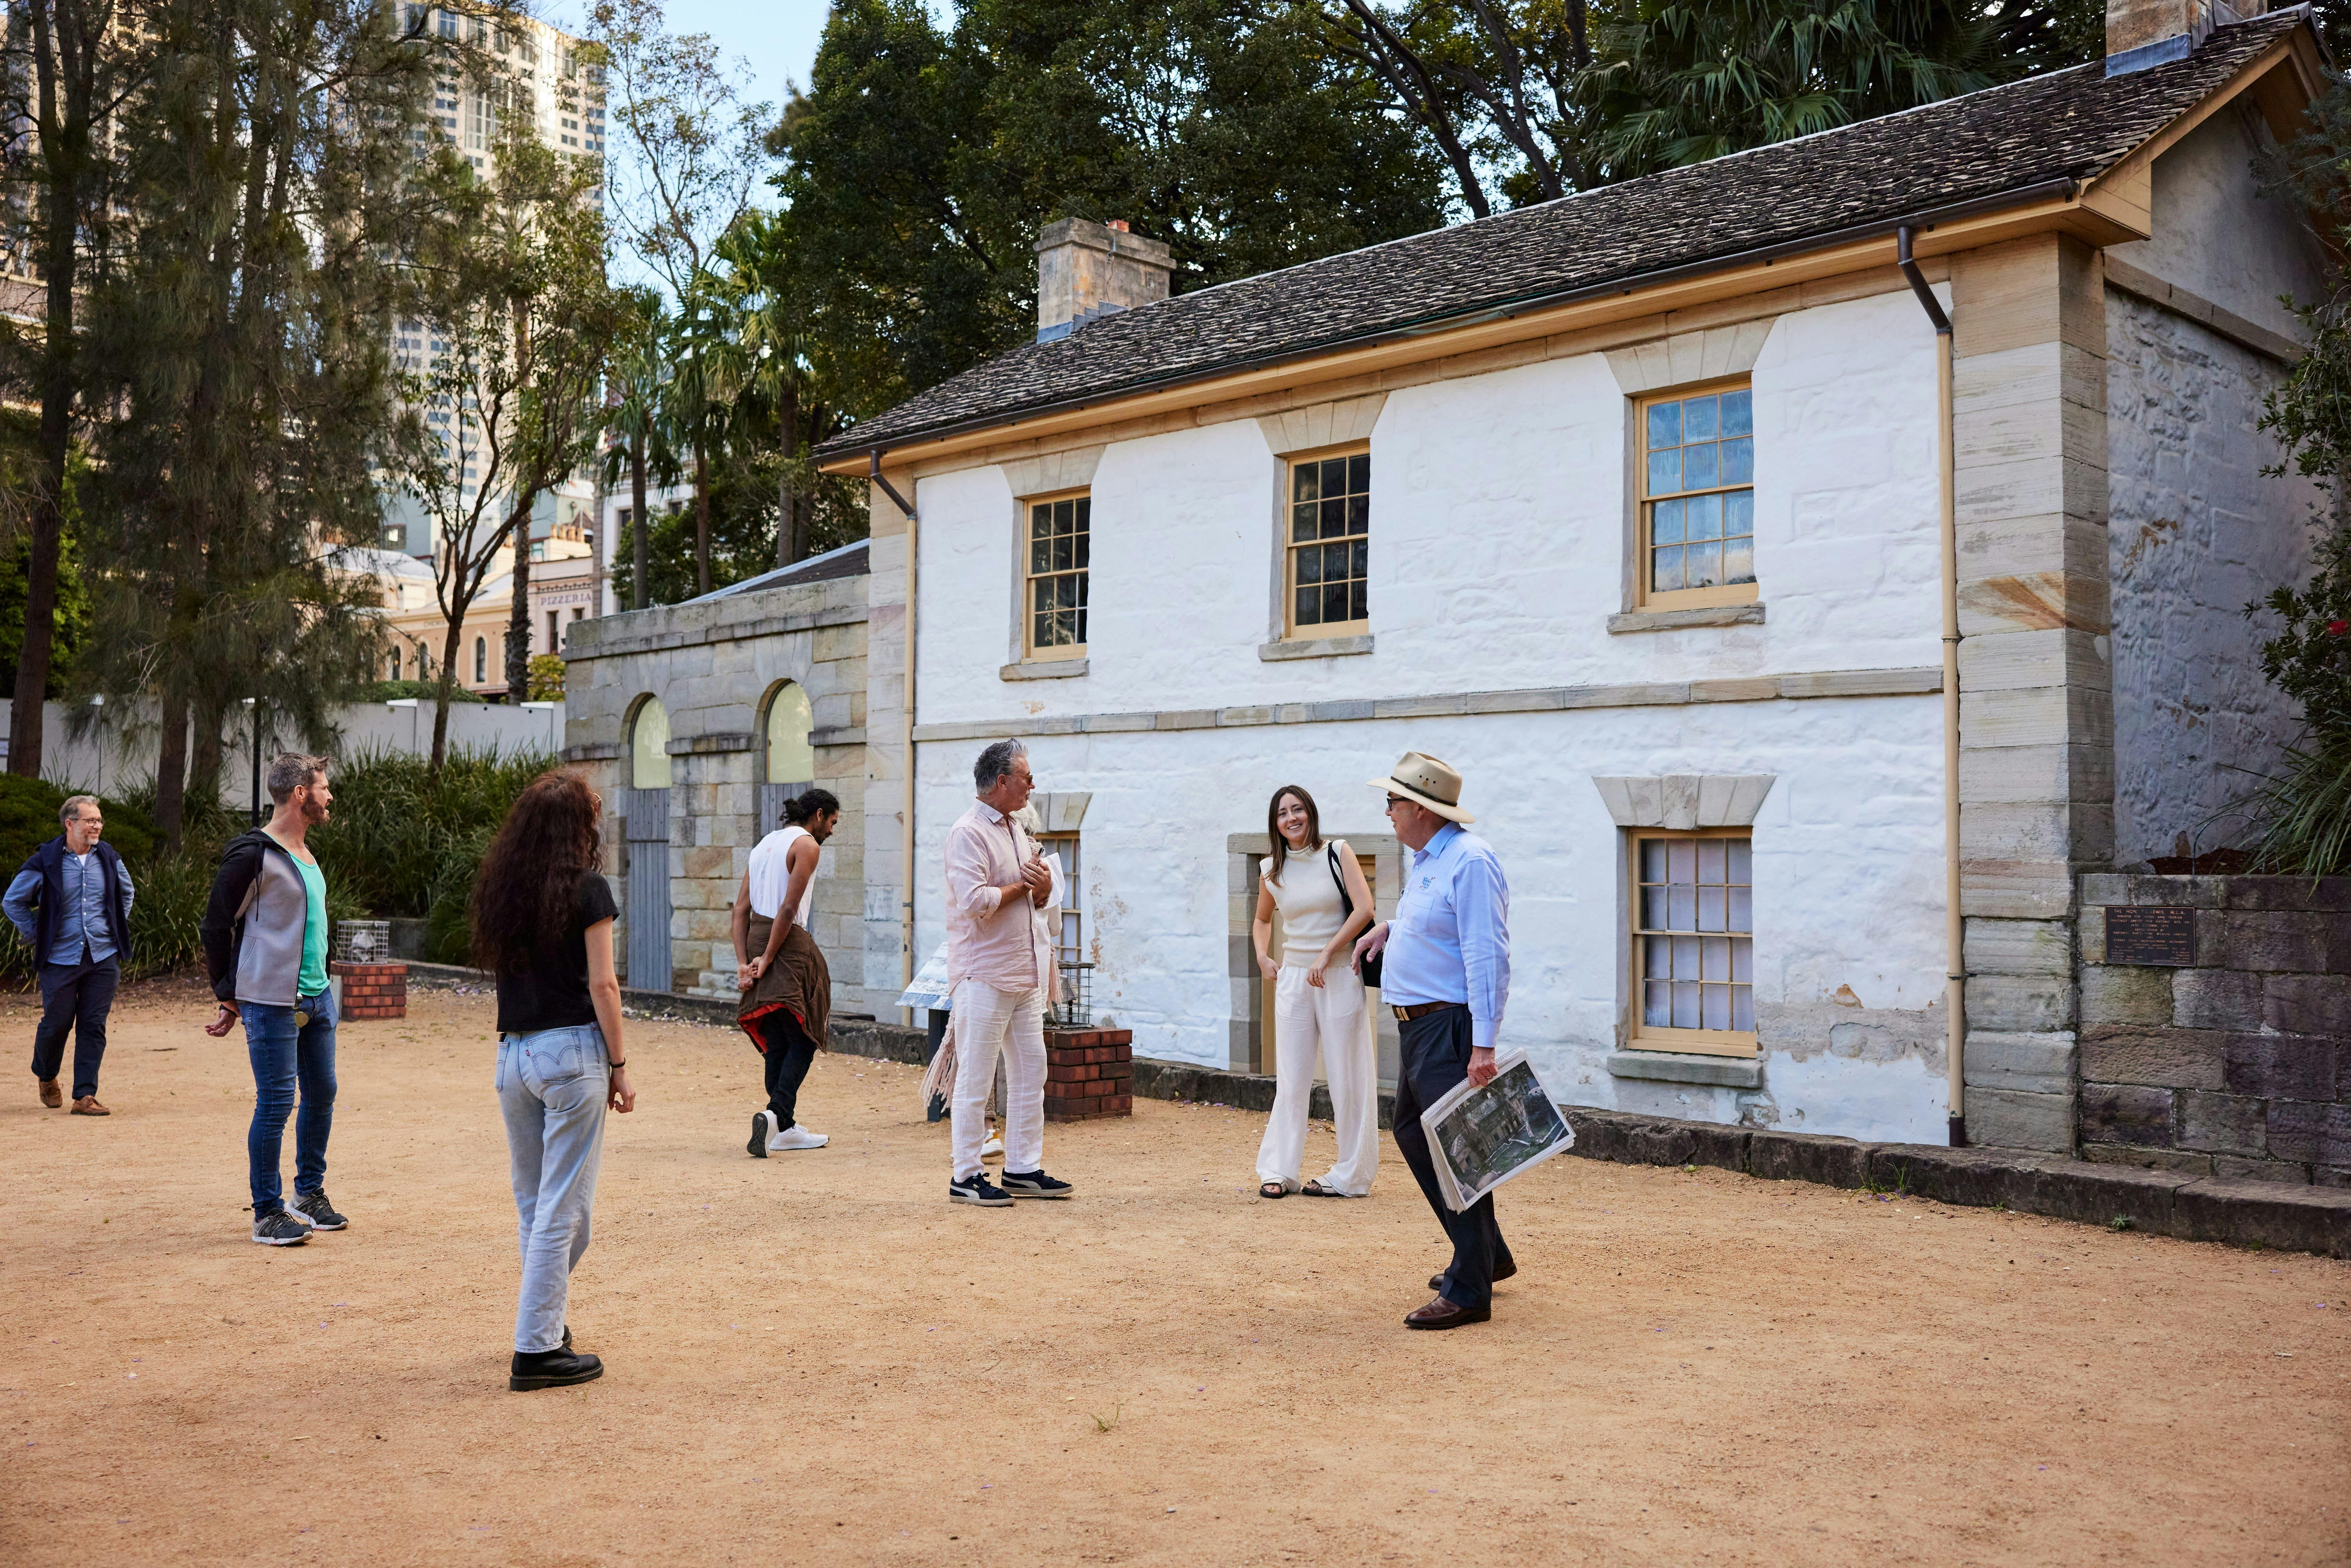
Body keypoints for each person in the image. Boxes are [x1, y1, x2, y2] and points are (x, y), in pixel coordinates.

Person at [470, 769, 635, 1392]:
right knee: (565, 1212)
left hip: (513, 1055)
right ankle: (536, 1347)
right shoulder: (588, 889)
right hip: (572, 1054)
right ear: (580, 825)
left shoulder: (504, 888)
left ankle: (542, 1324)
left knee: (540, 1206)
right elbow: (604, 985)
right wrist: (620, 1064)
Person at [1352, 752, 1516, 1330]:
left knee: (1457, 1151)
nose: (1388, 812)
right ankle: (1487, 1253)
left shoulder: (1469, 860)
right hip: (1418, 1026)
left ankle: (1470, 1287)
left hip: (1448, 1026)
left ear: (1419, 808)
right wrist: (1390, 930)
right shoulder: (1429, 860)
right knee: (1413, 1133)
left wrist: (1483, 1043)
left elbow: (1485, 951)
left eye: (1392, 802)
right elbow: (1436, 926)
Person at [201, 754, 347, 1248]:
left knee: (322, 1093)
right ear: (301, 793)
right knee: (277, 1103)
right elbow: (216, 924)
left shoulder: (305, 852)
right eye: (324, 787)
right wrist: (229, 992)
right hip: (270, 1001)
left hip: (317, 997)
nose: (330, 796)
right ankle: (267, 1211)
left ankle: (308, 1195)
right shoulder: (253, 853)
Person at [941, 739, 1072, 1206]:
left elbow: (1031, 900)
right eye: (1026, 777)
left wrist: (1040, 890)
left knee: (1030, 1071)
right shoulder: (968, 832)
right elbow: (975, 901)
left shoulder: (1016, 830)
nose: (1032, 785)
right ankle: (966, 1173)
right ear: (1001, 781)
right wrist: (1024, 887)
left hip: (1024, 971)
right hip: (985, 973)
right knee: (976, 1076)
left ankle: (1022, 1167)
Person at [1252, 785, 1377, 1199]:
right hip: (1293, 981)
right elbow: (1263, 921)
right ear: (1276, 824)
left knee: (1348, 1077)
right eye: (1283, 813)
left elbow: (1365, 909)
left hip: (1340, 974)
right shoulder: (1271, 869)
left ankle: (1351, 1175)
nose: (1292, 818)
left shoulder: (1337, 852)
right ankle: (1279, 1170)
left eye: (1298, 809)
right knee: (1291, 1078)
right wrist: (1262, 957)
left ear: (1311, 813)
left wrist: (1328, 952)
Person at [7, 795, 134, 1116]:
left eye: (100, 820)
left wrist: (114, 927)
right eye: (91, 820)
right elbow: (13, 901)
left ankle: (85, 1096)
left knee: (93, 1025)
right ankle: (47, 1075)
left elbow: (127, 892)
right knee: (57, 1023)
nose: (97, 826)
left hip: (102, 956)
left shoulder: (107, 856)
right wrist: (38, 933)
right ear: (70, 823)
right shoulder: (46, 860)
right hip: (59, 958)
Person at [734, 787, 841, 1157]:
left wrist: (743, 961)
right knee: (803, 1036)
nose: (831, 831)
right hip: (785, 942)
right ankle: (778, 1115)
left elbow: (739, 912)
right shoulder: (806, 844)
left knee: (778, 1036)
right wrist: (767, 957)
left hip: (756, 940)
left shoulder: (764, 844)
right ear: (820, 814)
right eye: (832, 822)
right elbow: (788, 908)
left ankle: (785, 1126)